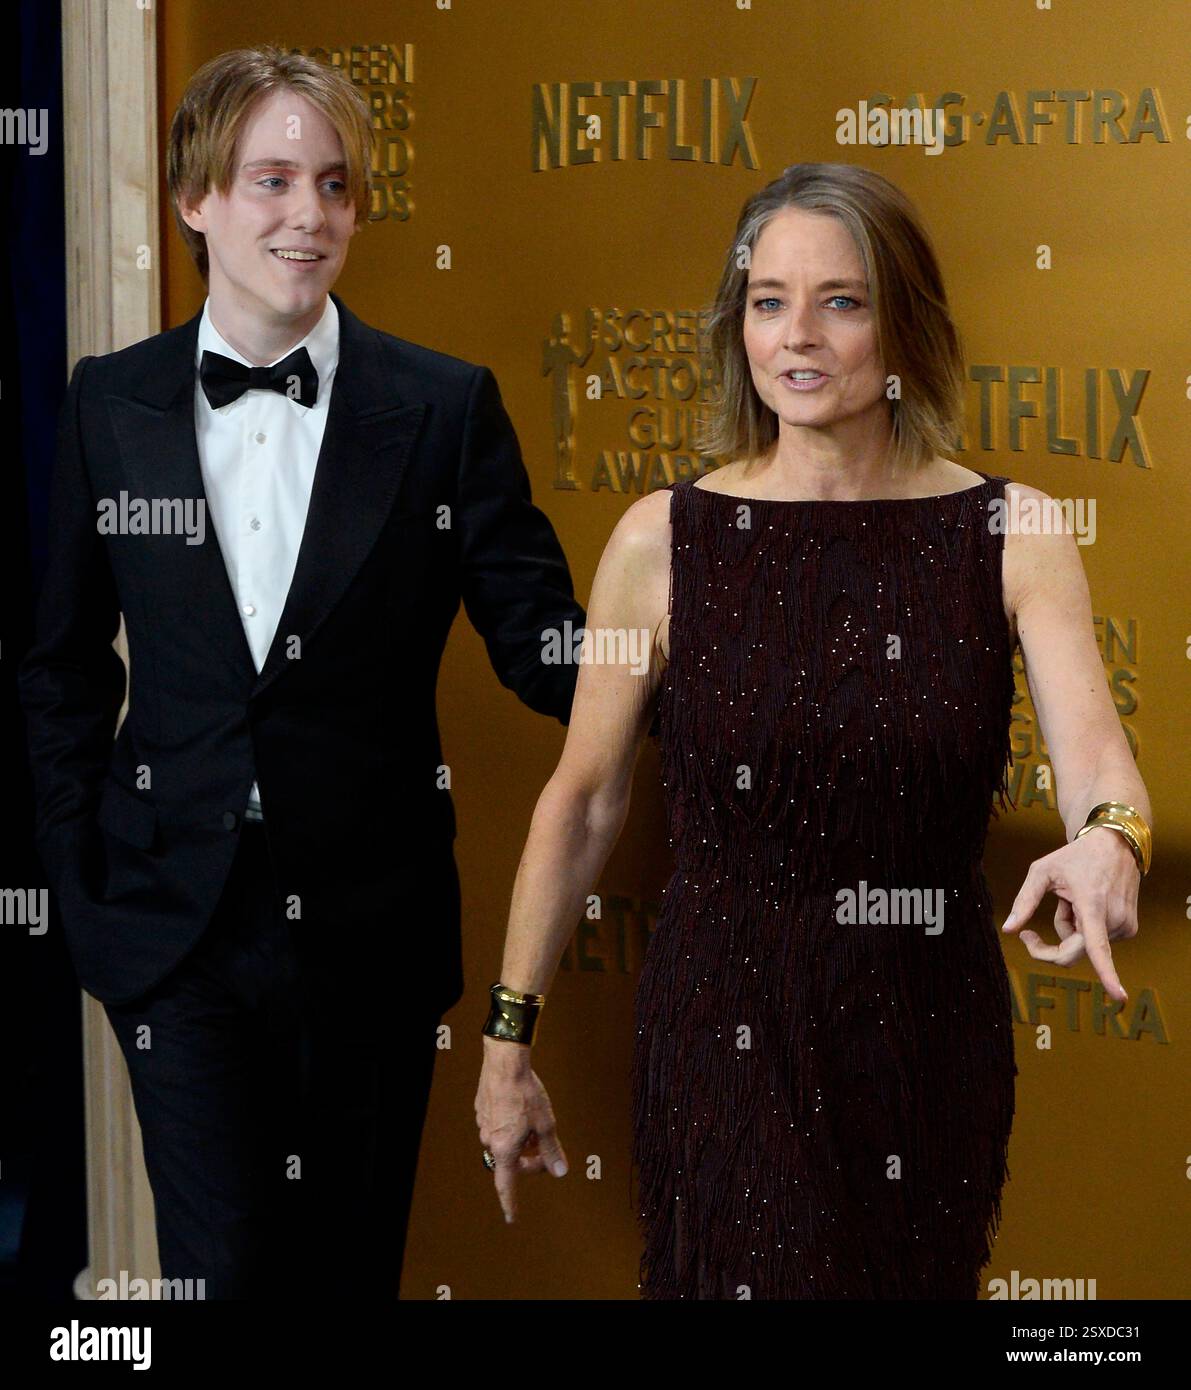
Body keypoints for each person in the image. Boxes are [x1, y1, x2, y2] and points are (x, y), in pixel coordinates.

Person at [474, 162, 1151, 1299]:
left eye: (841, 300)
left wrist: (1111, 838)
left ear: (903, 322)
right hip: (727, 1027)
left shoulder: (1014, 532)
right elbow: (585, 799)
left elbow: (1095, 764)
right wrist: (506, 1038)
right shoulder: (661, 541)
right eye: (768, 299)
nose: (799, 335)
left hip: (927, 1032)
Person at [20, 44, 585, 1298]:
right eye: (270, 179)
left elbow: (539, 639)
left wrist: (683, 655)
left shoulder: (441, 408)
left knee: (344, 1272)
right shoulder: (110, 405)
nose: (308, 216)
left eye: (332, 185)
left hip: (368, 927)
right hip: (174, 926)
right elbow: (59, 667)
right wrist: (83, 876)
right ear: (194, 198)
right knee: (220, 1273)